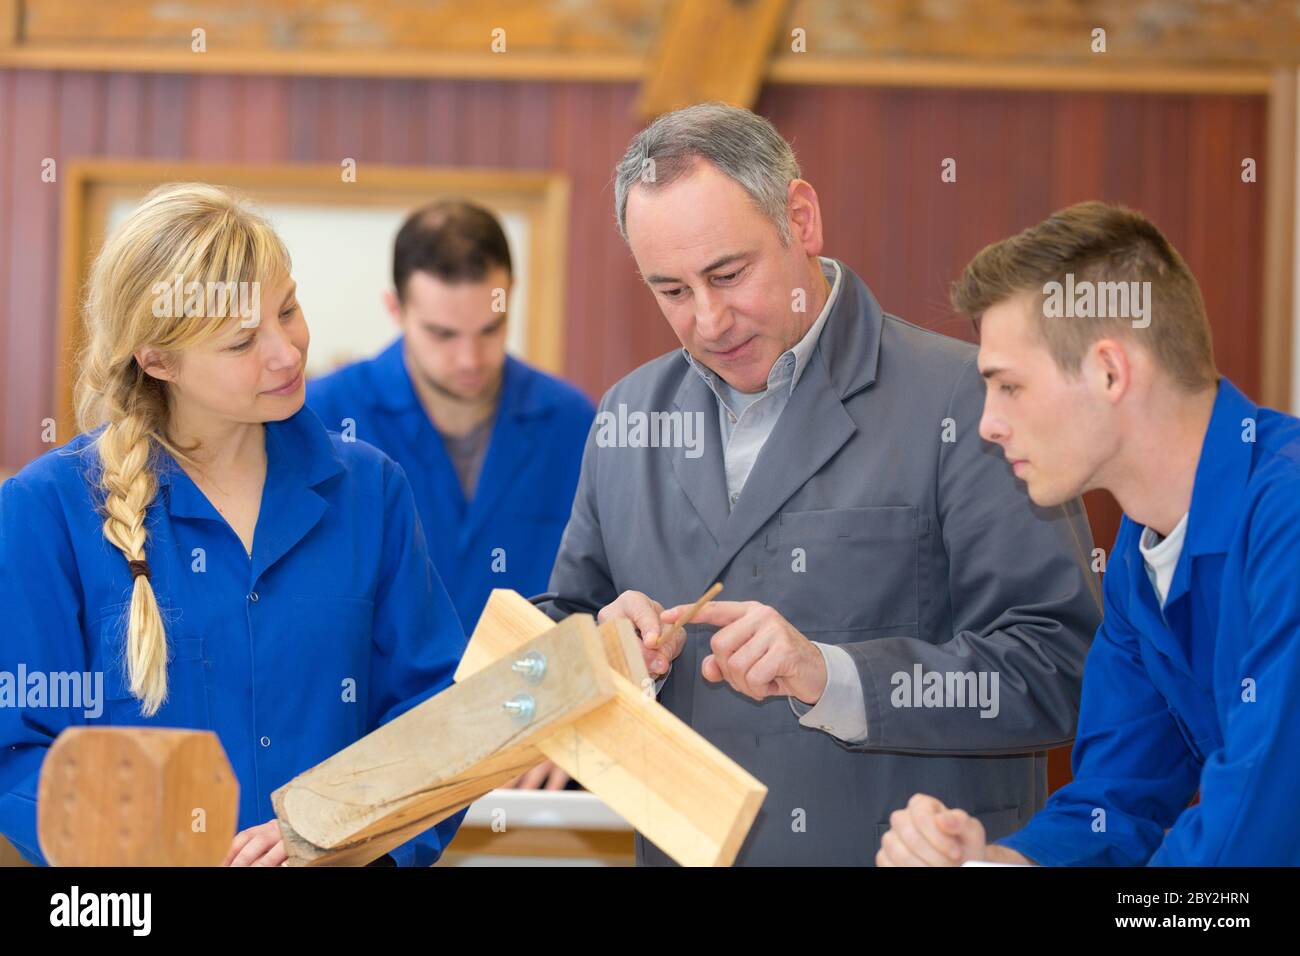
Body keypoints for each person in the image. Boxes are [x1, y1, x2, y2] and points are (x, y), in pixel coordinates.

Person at [539, 103, 1103, 865]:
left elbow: (1061, 668)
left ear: (801, 219)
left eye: (728, 274)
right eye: (670, 291)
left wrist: (834, 677)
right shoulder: (627, 415)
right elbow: (561, 622)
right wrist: (599, 648)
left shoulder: (971, 400)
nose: (708, 321)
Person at [0, 183, 467, 866]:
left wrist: (340, 830)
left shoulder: (372, 491)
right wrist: (157, 848)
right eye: (244, 340)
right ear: (157, 360)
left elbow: (436, 718)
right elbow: (17, 752)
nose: (286, 351)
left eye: (289, 309)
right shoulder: (46, 509)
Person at [878, 201, 1300, 866]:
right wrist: (994, 863)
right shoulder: (1141, 554)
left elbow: (1255, 837)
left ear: (1109, 371)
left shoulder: (1289, 515)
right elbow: (1115, 801)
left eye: (1008, 386)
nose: (987, 424)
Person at [307, 200, 594, 791]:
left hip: (538, 769)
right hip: (367, 765)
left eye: (490, 329)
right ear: (395, 308)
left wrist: (572, 711)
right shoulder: (322, 420)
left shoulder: (573, 422)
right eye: (441, 333)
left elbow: (604, 599)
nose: (469, 359)